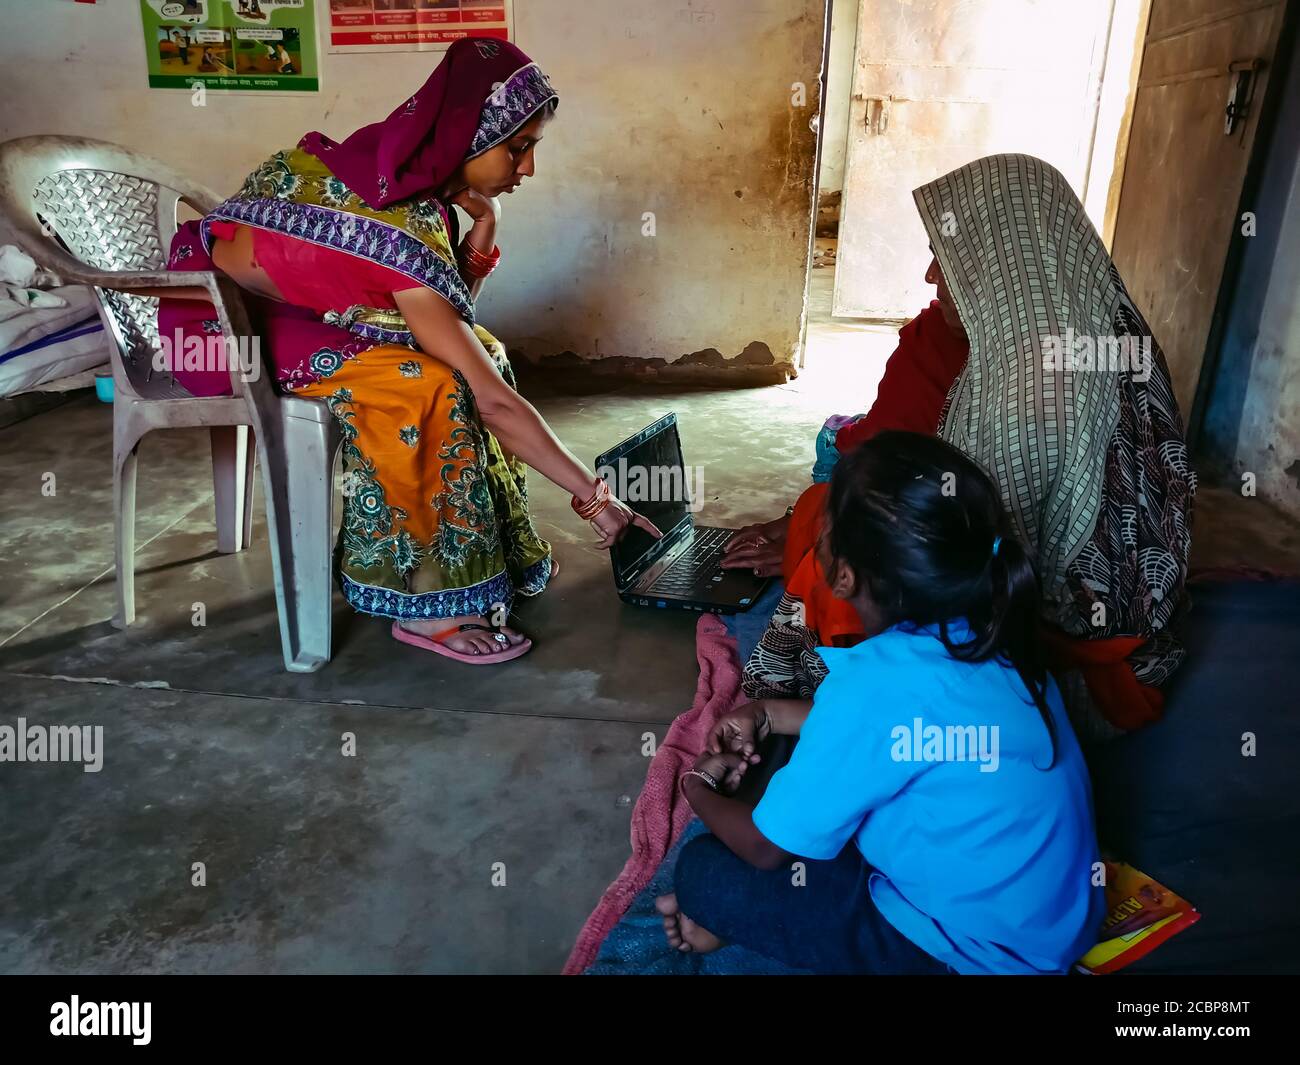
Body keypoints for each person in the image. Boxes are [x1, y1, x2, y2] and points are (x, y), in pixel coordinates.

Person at [153, 38, 658, 664]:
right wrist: (597, 501)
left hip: (297, 306)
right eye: (518, 148)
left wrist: (484, 229)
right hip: (216, 324)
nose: (527, 169)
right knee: (427, 387)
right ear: (468, 138)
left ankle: (489, 554)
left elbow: (456, 318)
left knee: (484, 356)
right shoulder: (402, 224)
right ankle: (420, 600)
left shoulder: (409, 176)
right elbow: (487, 397)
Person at [727, 155, 1194, 737]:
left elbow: (963, 566)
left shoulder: (1032, 391)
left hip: (1050, 649)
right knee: (824, 510)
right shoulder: (1110, 330)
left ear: (1003, 264)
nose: (931, 277)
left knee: (830, 534)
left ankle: (826, 698)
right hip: (1122, 626)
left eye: (943, 257)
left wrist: (832, 541)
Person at [657, 431, 1106, 974]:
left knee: (705, 871)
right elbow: (900, 732)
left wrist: (695, 785)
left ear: (842, 574)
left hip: (965, 954)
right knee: (800, 783)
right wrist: (767, 713)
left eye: (822, 523)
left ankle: (717, 918)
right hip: (1057, 921)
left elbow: (764, 850)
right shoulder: (992, 631)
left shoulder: (875, 685)